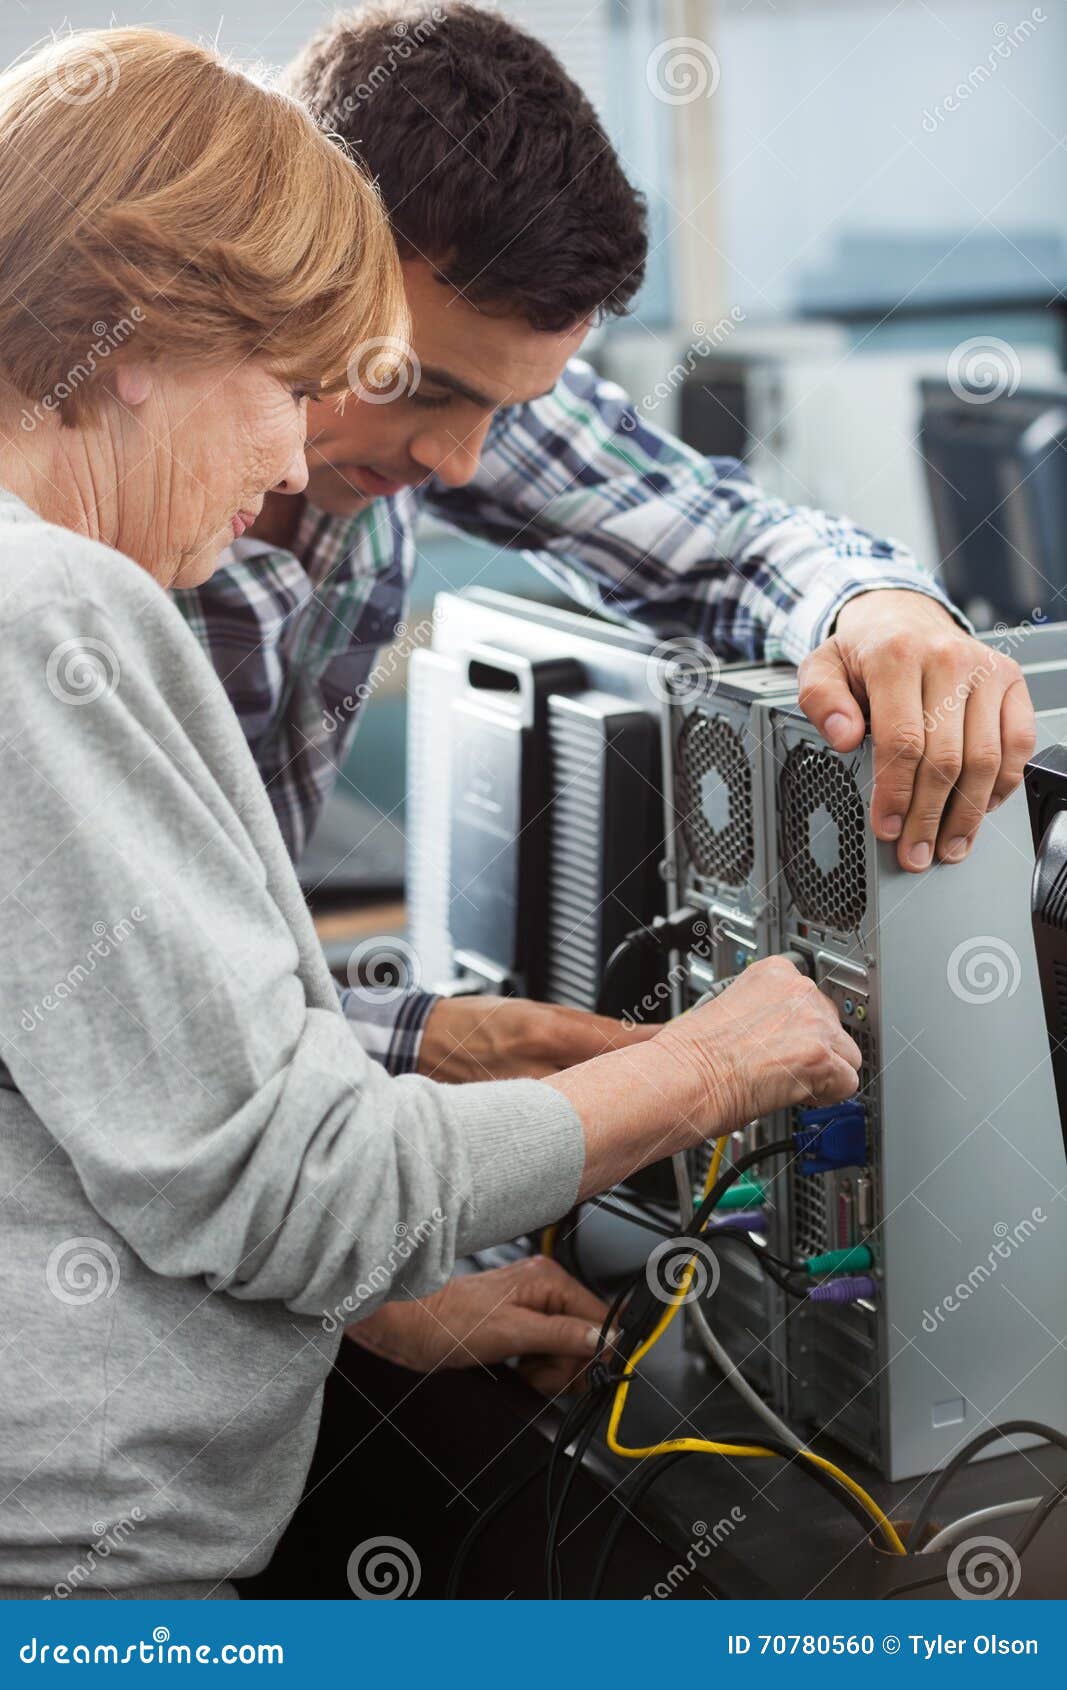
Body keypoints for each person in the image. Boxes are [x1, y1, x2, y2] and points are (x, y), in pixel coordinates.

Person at [0, 26, 858, 1598]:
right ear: (128, 328)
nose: (287, 451)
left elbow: (121, 1062)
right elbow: (291, 1190)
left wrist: (444, 1049)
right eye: (286, 374)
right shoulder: (55, 608)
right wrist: (709, 1067)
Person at [173, 2, 1037, 1375]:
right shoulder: (75, 540)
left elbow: (728, 537)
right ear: (287, 250)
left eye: (506, 410)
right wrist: (354, 1287)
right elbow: (97, 1029)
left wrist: (874, 608)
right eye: (422, 387)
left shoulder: (441, 388)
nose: (461, 463)